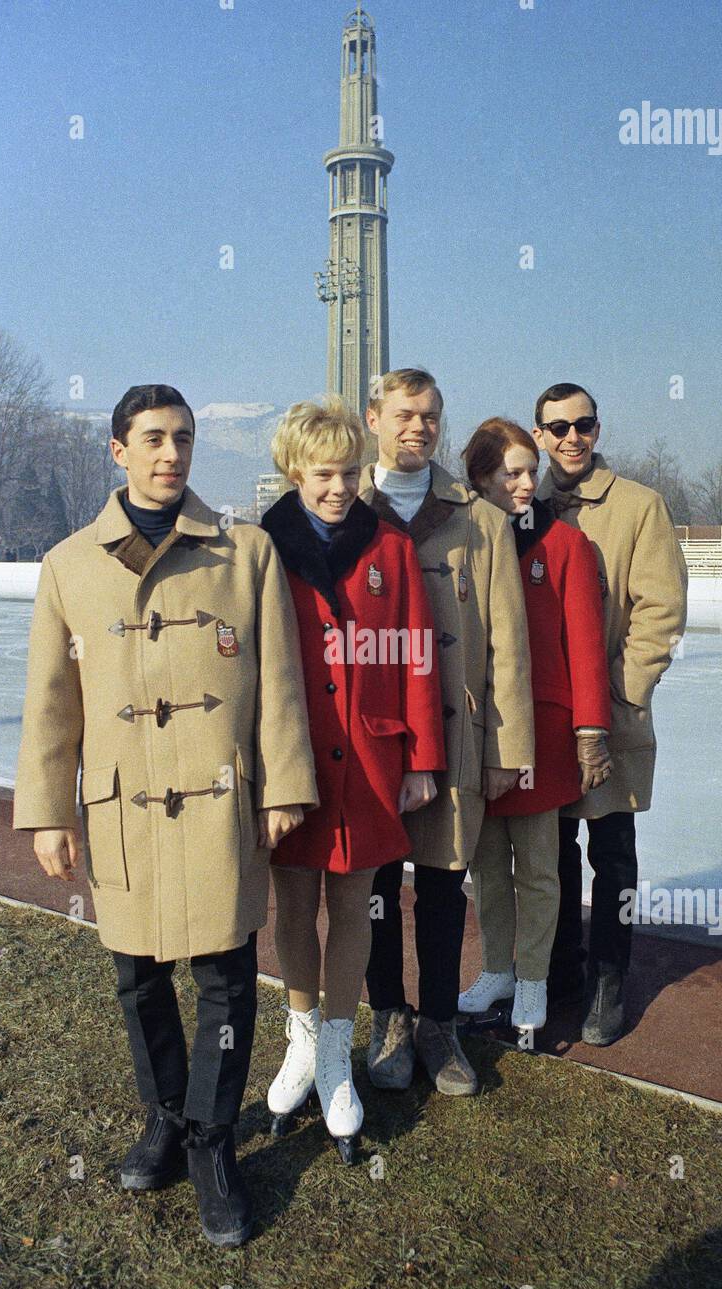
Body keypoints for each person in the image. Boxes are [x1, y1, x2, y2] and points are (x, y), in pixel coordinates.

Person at [13, 384, 318, 1246]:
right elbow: (50, 702)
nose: (169, 454)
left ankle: (214, 1141)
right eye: (151, 439)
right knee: (137, 977)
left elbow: (278, 678)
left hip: (222, 799)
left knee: (225, 975)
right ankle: (167, 1123)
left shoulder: (244, 551)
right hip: (122, 811)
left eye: (182, 438)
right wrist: (47, 812)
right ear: (118, 450)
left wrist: (285, 783)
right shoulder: (68, 563)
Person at [260, 396, 445, 1161]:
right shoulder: (260, 548)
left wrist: (424, 758)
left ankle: (338, 1052)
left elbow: (417, 657)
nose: (337, 487)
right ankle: (301, 1039)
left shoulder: (390, 549)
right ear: (295, 472)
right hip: (294, 762)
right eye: (322, 473)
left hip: (371, 761)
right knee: (295, 904)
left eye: (345, 472)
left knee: (357, 905)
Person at [360, 369, 535, 1096]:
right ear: (373, 418)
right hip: (369, 741)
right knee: (369, 889)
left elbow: (507, 648)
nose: (418, 428)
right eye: (403, 414)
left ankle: (437, 1023)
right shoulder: (344, 507)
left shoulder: (478, 519)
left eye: (430, 416)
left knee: (439, 886)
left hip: (454, 736)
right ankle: (386, 1019)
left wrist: (506, 750)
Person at [534, 382, 688, 1044]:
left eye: (583, 425)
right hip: (544, 720)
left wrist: (620, 694)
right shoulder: (525, 508)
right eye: (557, 428)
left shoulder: (637, 507)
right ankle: (560, 970)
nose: (572, 438)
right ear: (538, 435)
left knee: (613, 850)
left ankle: (606, 979)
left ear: (597, 430)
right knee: (551, 852)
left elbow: (660, 609)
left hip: (613, 719)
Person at [458, 418, 612, 1033]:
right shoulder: (462, 541)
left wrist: (591, 729)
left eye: (530, 471)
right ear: (481, 479)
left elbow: (586, 648)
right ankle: (497, 966)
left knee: (540, 868)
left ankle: (532, 978)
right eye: (511, 473)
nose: (527, 484)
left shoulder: (567, 547)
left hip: (542, 735)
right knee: (487, 866)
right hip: (477, 731)